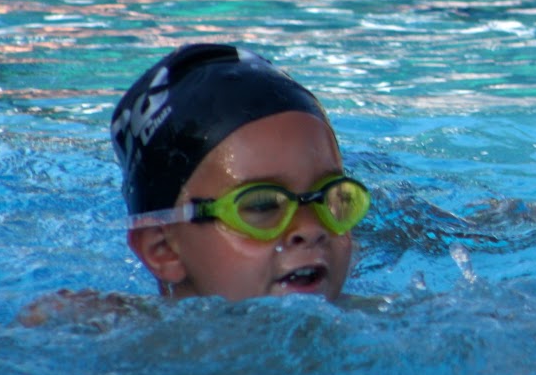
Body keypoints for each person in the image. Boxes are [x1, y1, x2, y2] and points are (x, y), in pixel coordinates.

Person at [108, 43, 371, 301]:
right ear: (163, 248)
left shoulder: (381, 319)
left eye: (334, 198)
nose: (312, 228)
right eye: (263, 205)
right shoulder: (103, 324)